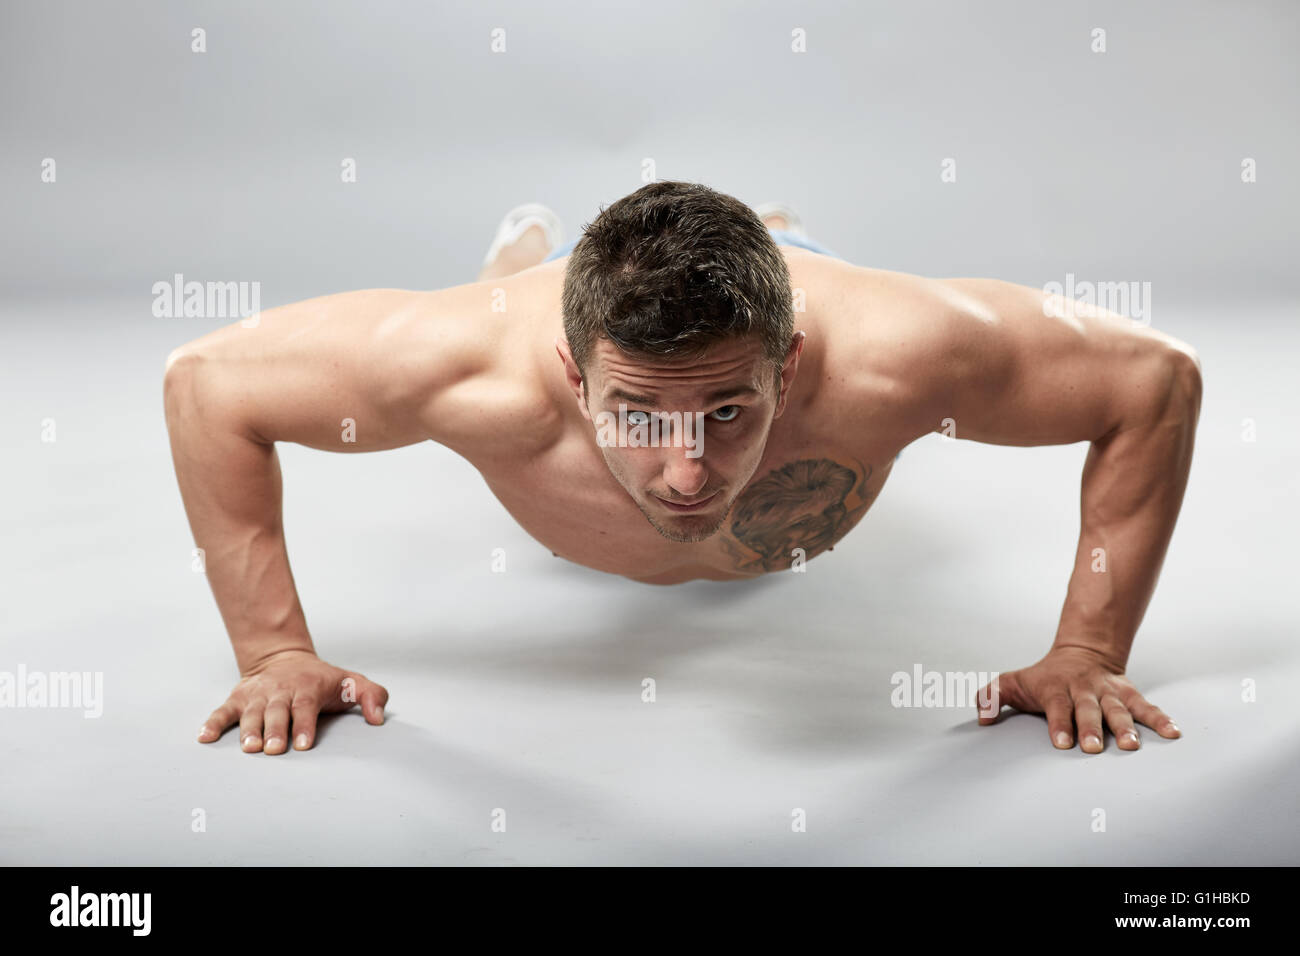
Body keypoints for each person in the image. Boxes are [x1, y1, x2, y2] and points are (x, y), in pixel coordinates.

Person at [164, 181, 1201, 758]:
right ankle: (529, 244)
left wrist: (1086, 648)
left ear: (788, 367)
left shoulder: (901, 353)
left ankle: (784, 231)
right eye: (638, 414)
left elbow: (1152, 381)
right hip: (533, 298)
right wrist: (271, 656)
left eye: (727, 409)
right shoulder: (461, 365)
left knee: (802, 253)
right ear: (573, 377)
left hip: (802, 284)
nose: (687, 473)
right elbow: (207, 383)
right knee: (501, 286)